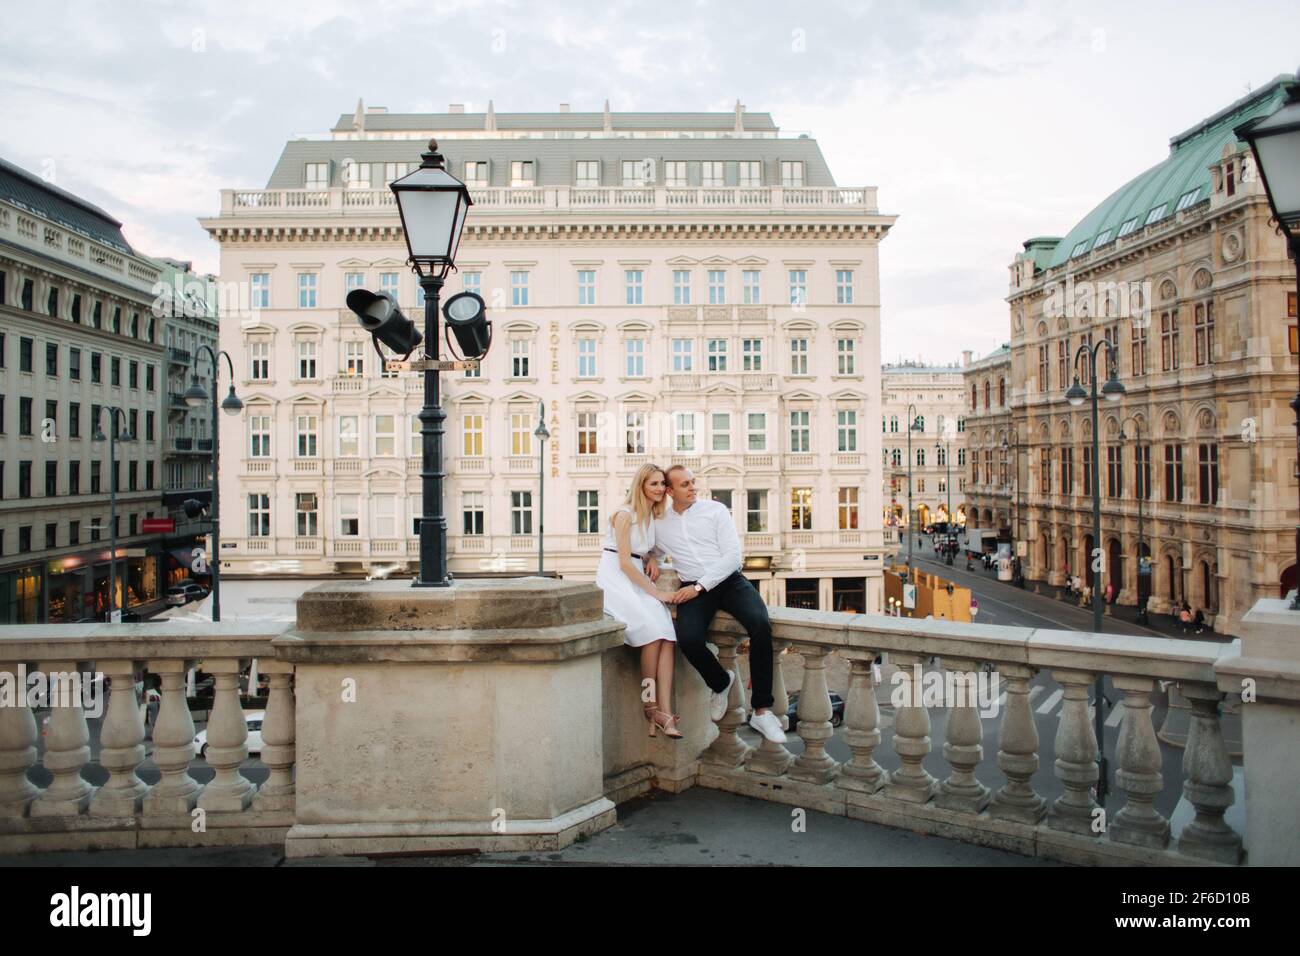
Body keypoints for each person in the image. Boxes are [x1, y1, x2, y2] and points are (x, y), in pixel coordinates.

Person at [645, 466, 787, 744]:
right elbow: (654, 549)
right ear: (670, 491)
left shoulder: (715, 511)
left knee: (760, 625)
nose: (692, 487)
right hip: (693, 586)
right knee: (688, 640)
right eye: (685, 484)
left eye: (693, 482)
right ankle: (721, 682)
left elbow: (734, 556)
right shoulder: (660, 523)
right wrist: (651, 557)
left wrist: (698, 588)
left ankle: (761, 710)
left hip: (728, 581)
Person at [594, 463, 682, 739]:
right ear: (641, 485)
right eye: (653, 484)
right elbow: (624, 562)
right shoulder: (624, 514)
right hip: (617, 577)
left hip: (637, 575)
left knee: (668, 635)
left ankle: (665, 712)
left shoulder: (651, 517)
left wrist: (652, 557)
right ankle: (649, 705)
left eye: (661, 484)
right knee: (651, 632)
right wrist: (656, 592)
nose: (659, 489)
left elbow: (643, 549)